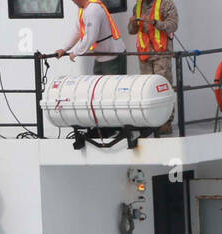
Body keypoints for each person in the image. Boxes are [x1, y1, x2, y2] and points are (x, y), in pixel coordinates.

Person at [128, 0, 180, 134]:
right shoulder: (137, 7)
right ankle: (150, 121)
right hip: (144, 55)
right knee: (147, 91)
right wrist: (133, 24)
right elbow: (131, 30)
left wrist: (155, 23)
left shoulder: (166, 4)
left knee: (163, 88)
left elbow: (173, 25)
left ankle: (166, 121)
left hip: (161, 54)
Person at [55, 0, 127, 76]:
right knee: (99, 86)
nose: (74, 3)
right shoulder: (83, 10)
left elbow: (91, 37)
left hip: (113, 56)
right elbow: (77, 31)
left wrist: (76, 52)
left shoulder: (93, 9)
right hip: (100, 56)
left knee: (112, 86)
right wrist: (64, 49)